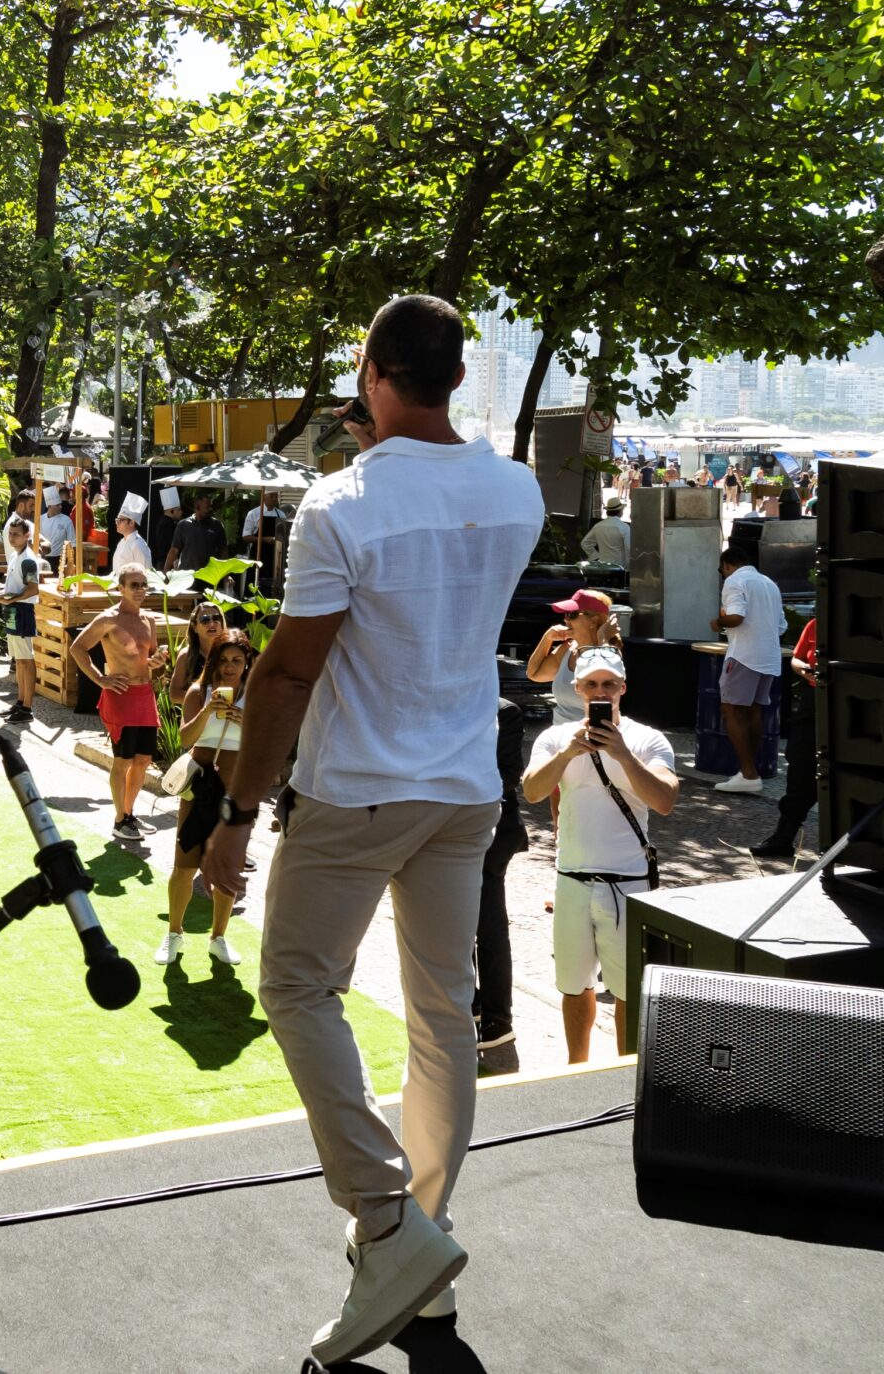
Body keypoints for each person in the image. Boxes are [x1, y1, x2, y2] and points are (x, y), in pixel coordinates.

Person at [201, 294, 544, 1366]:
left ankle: (388, 1224)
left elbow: (289, 670)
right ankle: (419, 1266)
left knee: (296, 986)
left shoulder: (338, 505)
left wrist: (235, 812)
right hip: (462, 787)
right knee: (444, 1019)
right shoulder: (516, 489)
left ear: (374, 371)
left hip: (357, 792)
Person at [522, 646, 678, 1062]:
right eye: (591, 684)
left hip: (629, 883)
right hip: (572, 879)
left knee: (629, 990)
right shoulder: (556, 738)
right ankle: (578, 1069)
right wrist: (569, 753)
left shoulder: (647, 739)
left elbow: (664, 800)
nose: (600, 692)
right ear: (577, 689)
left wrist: (622, 753)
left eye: (609, 684)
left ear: (623, 687)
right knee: (574, 986)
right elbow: (533, 791)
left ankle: (626, 1076)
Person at [154, 631, 256, 966]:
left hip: (236, 791)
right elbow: (185, 738)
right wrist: (209, 710)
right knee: (185, 864)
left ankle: (219, 937)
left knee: (227, 867)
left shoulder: (255, 695)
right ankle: (174, 932)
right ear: (213, 662)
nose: (230, 667)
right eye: (223, 660)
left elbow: (267, 747)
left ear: (246, 663)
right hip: (200, 789)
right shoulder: (200, 692)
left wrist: (248, 722)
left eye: (237, 661)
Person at [71, 563, 168, 839]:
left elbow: (147, 661)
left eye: (143, 585)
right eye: (134, 585)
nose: (139, 590)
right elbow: (77, 648)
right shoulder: (108, 619)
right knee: (123, 760)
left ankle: (129, 814)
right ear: (121, 588)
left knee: (143, 759)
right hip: (121, 697)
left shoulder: (148, 620)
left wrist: (157, 661)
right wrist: (101, 679)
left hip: (144, 696)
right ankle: (119, 819)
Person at [712, 544, 786, 793]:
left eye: (722, 570)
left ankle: (748, 773)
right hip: (769, 656)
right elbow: (781, 626)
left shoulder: (734, 581)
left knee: (731, 710)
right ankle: (749, 770)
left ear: (727, 566)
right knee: (753, 711)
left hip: (743, 655)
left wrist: (718, 622)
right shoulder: (769, 583)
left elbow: (736, 617)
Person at [750, 613, 819, 861]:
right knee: (801, 765)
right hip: (815, 703)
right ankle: (783, 837)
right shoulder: (815, 624)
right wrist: (805, 670)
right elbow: (797, 658)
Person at [526, 590, 622, 726]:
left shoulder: (610, 653)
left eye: (572, 614)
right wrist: (547, 638)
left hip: (595, 738)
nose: (566, 619)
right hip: (560, 737)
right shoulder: (567, 649)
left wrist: (603, 639)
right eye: (566, 614)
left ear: (593, 621)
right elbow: (534, 674)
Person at [0, 519, 43, 723]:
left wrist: (7, 599)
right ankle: (19, 702)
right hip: (12, 611)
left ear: (27, 536)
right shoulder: (15, 556)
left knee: (26, 659)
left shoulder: (27, 559)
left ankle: (27, 708)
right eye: (11, 534)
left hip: (23, 611)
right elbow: (13, 587)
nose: (12, 537)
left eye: (17, 534)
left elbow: (33, 589)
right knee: (18, 660)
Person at [168, 601, 229, 703]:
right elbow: (174, 695)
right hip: (196, 715)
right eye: (204, 619)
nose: (211, 624)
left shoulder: (230, 653)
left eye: (216, 618)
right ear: (194, 627)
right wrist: (208, 700)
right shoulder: (186, 655)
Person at [169, 491, 227, 572]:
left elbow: (223, 551)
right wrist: (165, 572)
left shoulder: (217, 525)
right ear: (197, 507)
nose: (211, 509)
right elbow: (174, 550)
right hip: (186, 576)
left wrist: (226, 575)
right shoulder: (183, 524)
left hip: (209, 575)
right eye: (207, 506)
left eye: (211, 506)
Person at [242, 490, 286, 595]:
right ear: (264, 497)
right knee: (254, 583)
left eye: (276, 496)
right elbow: (246, 537)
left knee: (272, 586)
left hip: (274, 556)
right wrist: (265, 539)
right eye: (272, 496)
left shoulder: (281, 514)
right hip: (258, 554)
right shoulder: (253, 513)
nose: (275, 499)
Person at [580, 500, 631, 568]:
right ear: (620, 511)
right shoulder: (624, 527)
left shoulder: (598, 526)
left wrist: (595, 555)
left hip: (603, 566)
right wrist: (628, 567)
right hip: (619, 567)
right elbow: (629, 549)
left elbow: (585, 543)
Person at [111, 493, 152, 575]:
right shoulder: (121, 542)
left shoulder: (138, 545)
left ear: (132, 523)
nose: (117, 523)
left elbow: (145, 573)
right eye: (117, 520)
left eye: (121, 520)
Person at [40, 487, 77, 571]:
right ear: (49, 506)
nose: (61, 507)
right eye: (57, 505)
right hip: (43, 559)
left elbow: (73, 543)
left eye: (60, 504)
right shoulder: (40, 520)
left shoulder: (67, 520)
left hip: (60, 560)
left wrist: (70, 563)